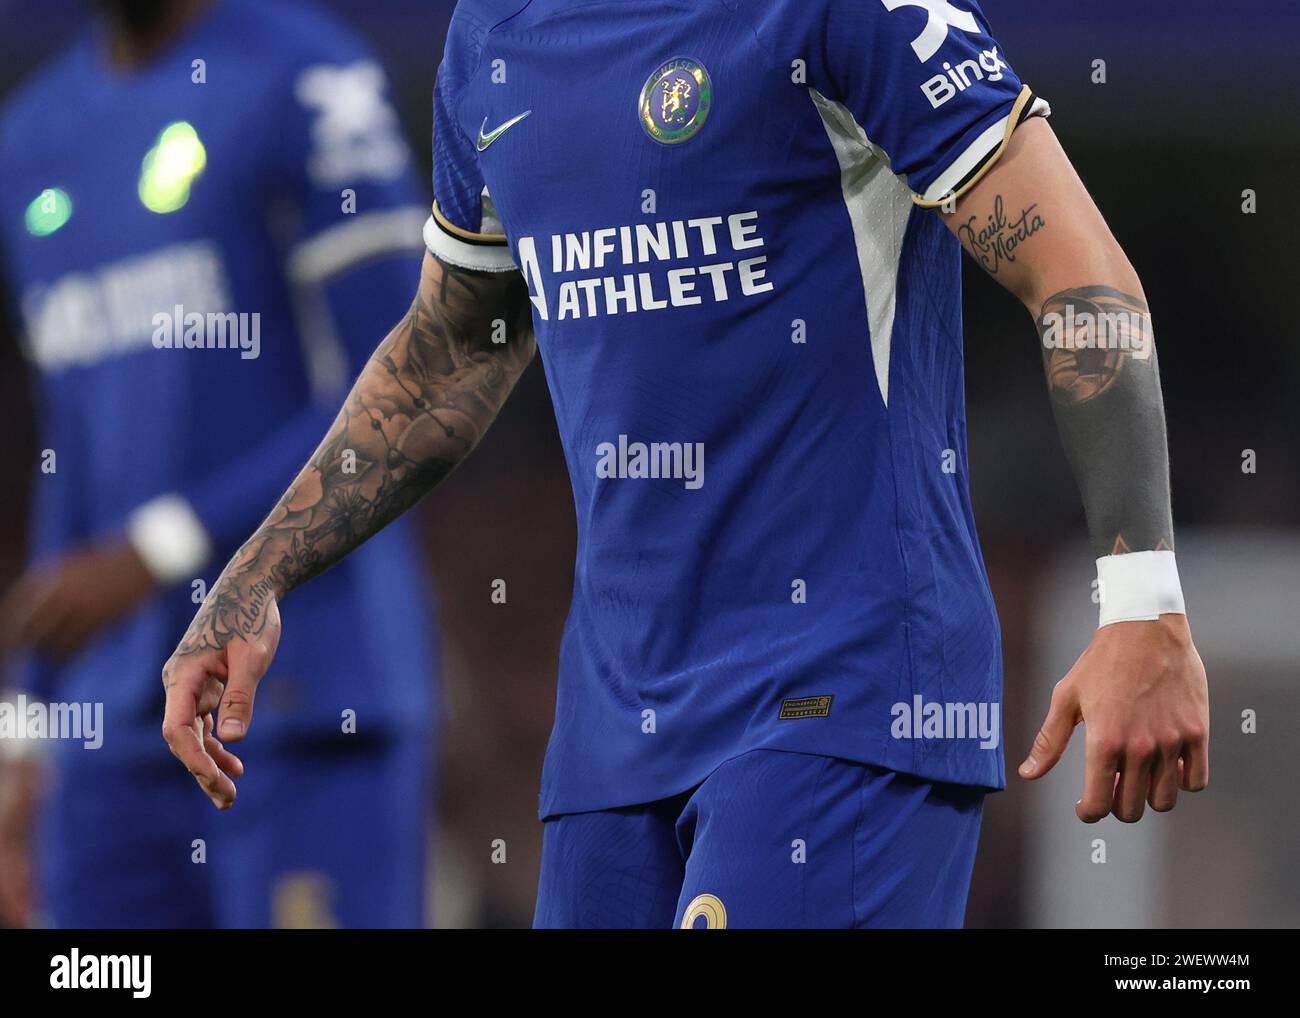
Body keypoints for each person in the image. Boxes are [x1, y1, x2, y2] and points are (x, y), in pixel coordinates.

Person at [160, 0, 1209, 929]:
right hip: (614, 732)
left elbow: (1079, 277)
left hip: (844, 692)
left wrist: (1142, 601)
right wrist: (254, 578)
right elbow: (446, 355)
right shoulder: (494, 34)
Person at [0, 0, 438, 928]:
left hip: (304, 702)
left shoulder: (312, 81)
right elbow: (70, 442)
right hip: (109, 733)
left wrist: (160, 547)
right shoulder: (30, 140)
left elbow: (407, 383)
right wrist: (25, 729)